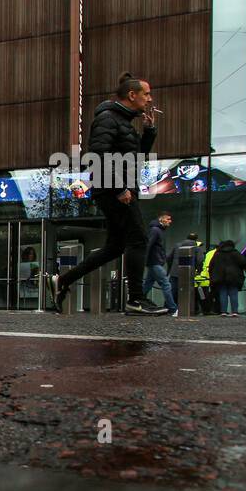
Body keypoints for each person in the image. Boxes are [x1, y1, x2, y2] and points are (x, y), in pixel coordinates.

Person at [45, 72, 169, 315]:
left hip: (119, 188)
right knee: (139, 239)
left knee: (115, 246)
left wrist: (149, 131)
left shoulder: (123, 123)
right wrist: (119, 188)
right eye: (146, 94)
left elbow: (137, 159)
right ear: (132, 95)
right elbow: (97, 156)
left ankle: (62, 281)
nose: (150, 99)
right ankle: (136, 299)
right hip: (114, 190)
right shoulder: (108, 119)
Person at [142, 211, 177, 315]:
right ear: (161, 219)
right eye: (168, 219)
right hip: (154, 262)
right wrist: (145, 260)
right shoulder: (155, 230)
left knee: (147, 285)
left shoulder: (159, 230)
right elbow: (148, 245)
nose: (170, 222)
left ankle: (135, 302)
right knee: (166, 284)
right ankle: (173, 309)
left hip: (155, 262)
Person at [207, 240, 246, 317]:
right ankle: (235, 312)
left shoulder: (217, 254)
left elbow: (211, 265)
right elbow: (244, 263)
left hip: (220, 277)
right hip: (234, 277)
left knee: (223, 294)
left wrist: (212, 276)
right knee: (233, 294)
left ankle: (223, 312)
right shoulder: (236, 253)